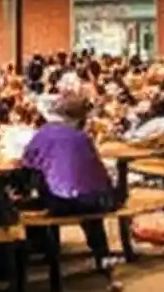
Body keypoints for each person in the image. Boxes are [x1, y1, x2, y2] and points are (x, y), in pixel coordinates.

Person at [22, 95, 123, 259]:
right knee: (86, 191)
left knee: (35, 185)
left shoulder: (44, 134)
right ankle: (101, 252)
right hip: (96, 201)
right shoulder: (83, 138)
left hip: (61, 203)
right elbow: (97, 174)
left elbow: (27, 164)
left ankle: (43, 248)